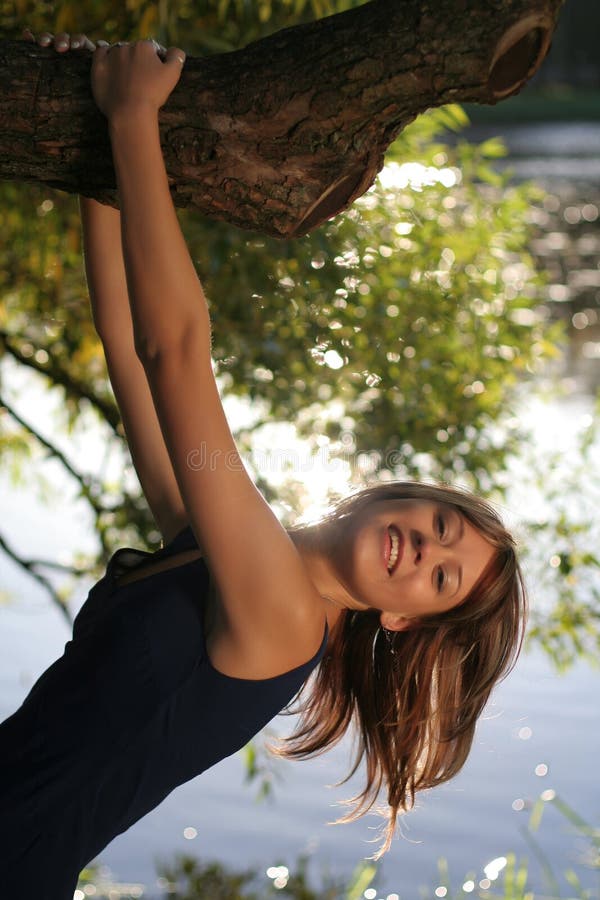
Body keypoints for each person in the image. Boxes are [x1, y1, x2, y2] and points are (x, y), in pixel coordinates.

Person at [1, 31, 526, 898]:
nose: (424, 552)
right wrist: (96, 159)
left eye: (441, 579)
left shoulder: (285, 619)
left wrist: (135, 118)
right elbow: (133, 355)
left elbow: (178, 352)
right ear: (391, 494)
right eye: (439, 529)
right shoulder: (224, 558)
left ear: (400, 623)